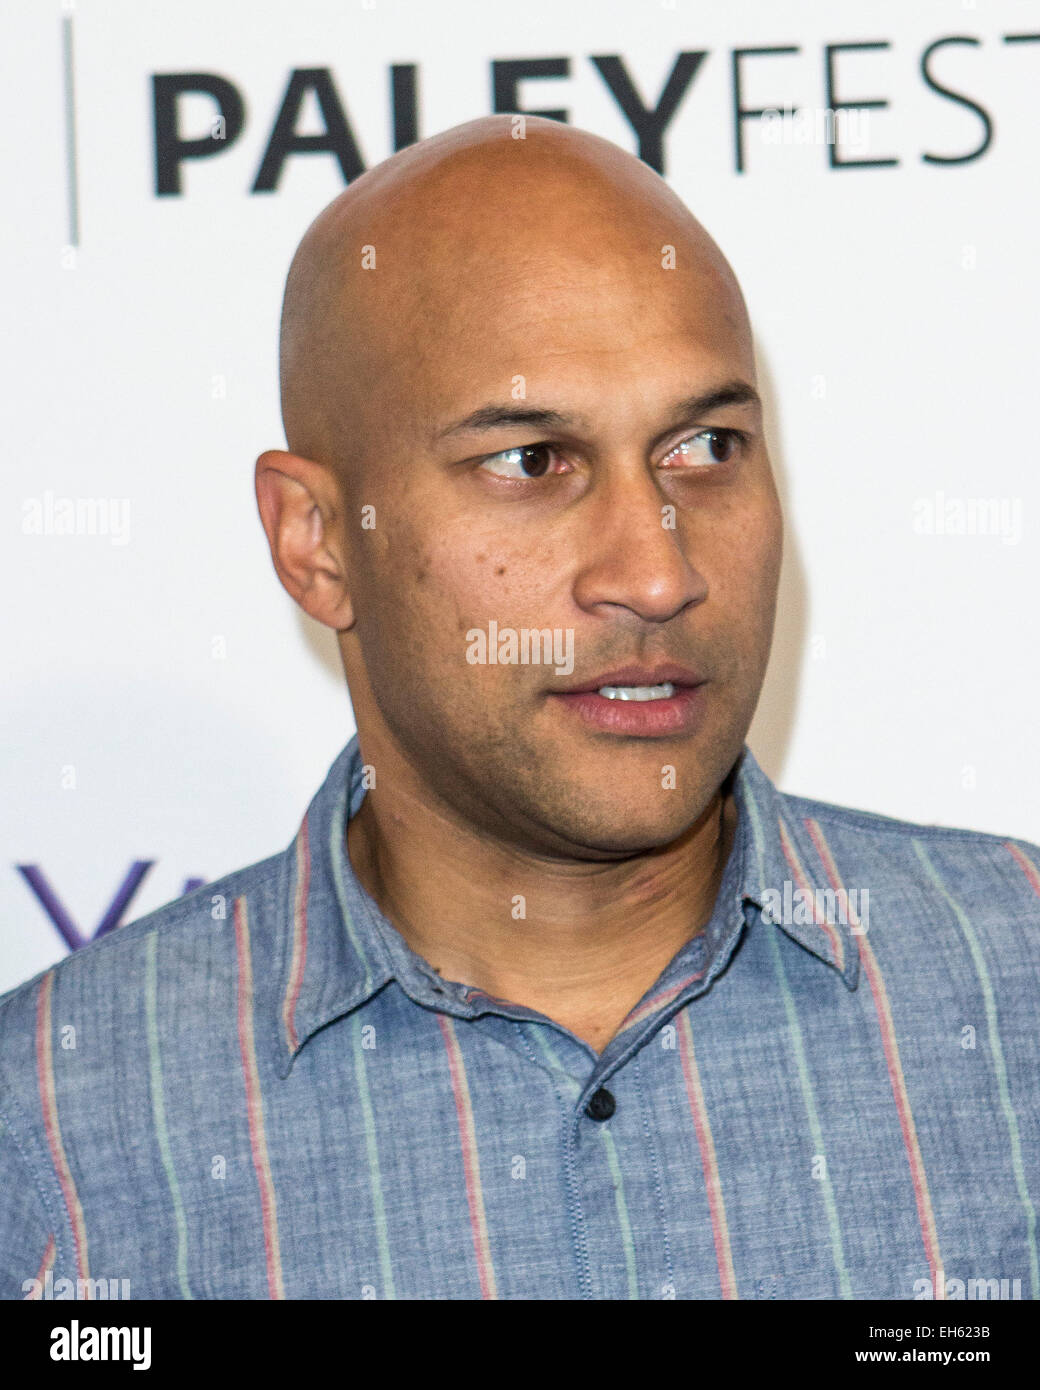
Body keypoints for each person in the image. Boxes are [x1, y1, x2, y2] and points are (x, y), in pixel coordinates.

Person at [2, 115, 1038, 1302]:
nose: (656, 573)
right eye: (531, 460)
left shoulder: (1013, 980)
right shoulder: (51, 1141)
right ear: (317, 541)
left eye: (705, 446)